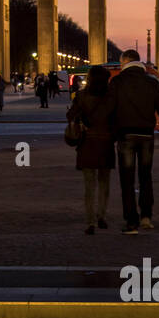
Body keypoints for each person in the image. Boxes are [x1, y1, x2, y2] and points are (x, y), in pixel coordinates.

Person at [108, 48, 159, 233]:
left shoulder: (117, 81)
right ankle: (146, 216)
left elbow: (110, 110)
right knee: (146, 177)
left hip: (126, 136)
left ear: (126, 61)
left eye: (121, 63)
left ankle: (131, 222)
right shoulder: (152, 83)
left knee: (127, 180)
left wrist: (110, 134)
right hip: (146, 135)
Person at [71, 64, 115, 234]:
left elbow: (70, 116)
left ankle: (90, 222)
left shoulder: (81, 95)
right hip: (105, 144)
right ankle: (101, 215)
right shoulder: (111, 97)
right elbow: (115, 121)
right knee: (104, 183)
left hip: (87, 144)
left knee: (89, 186)